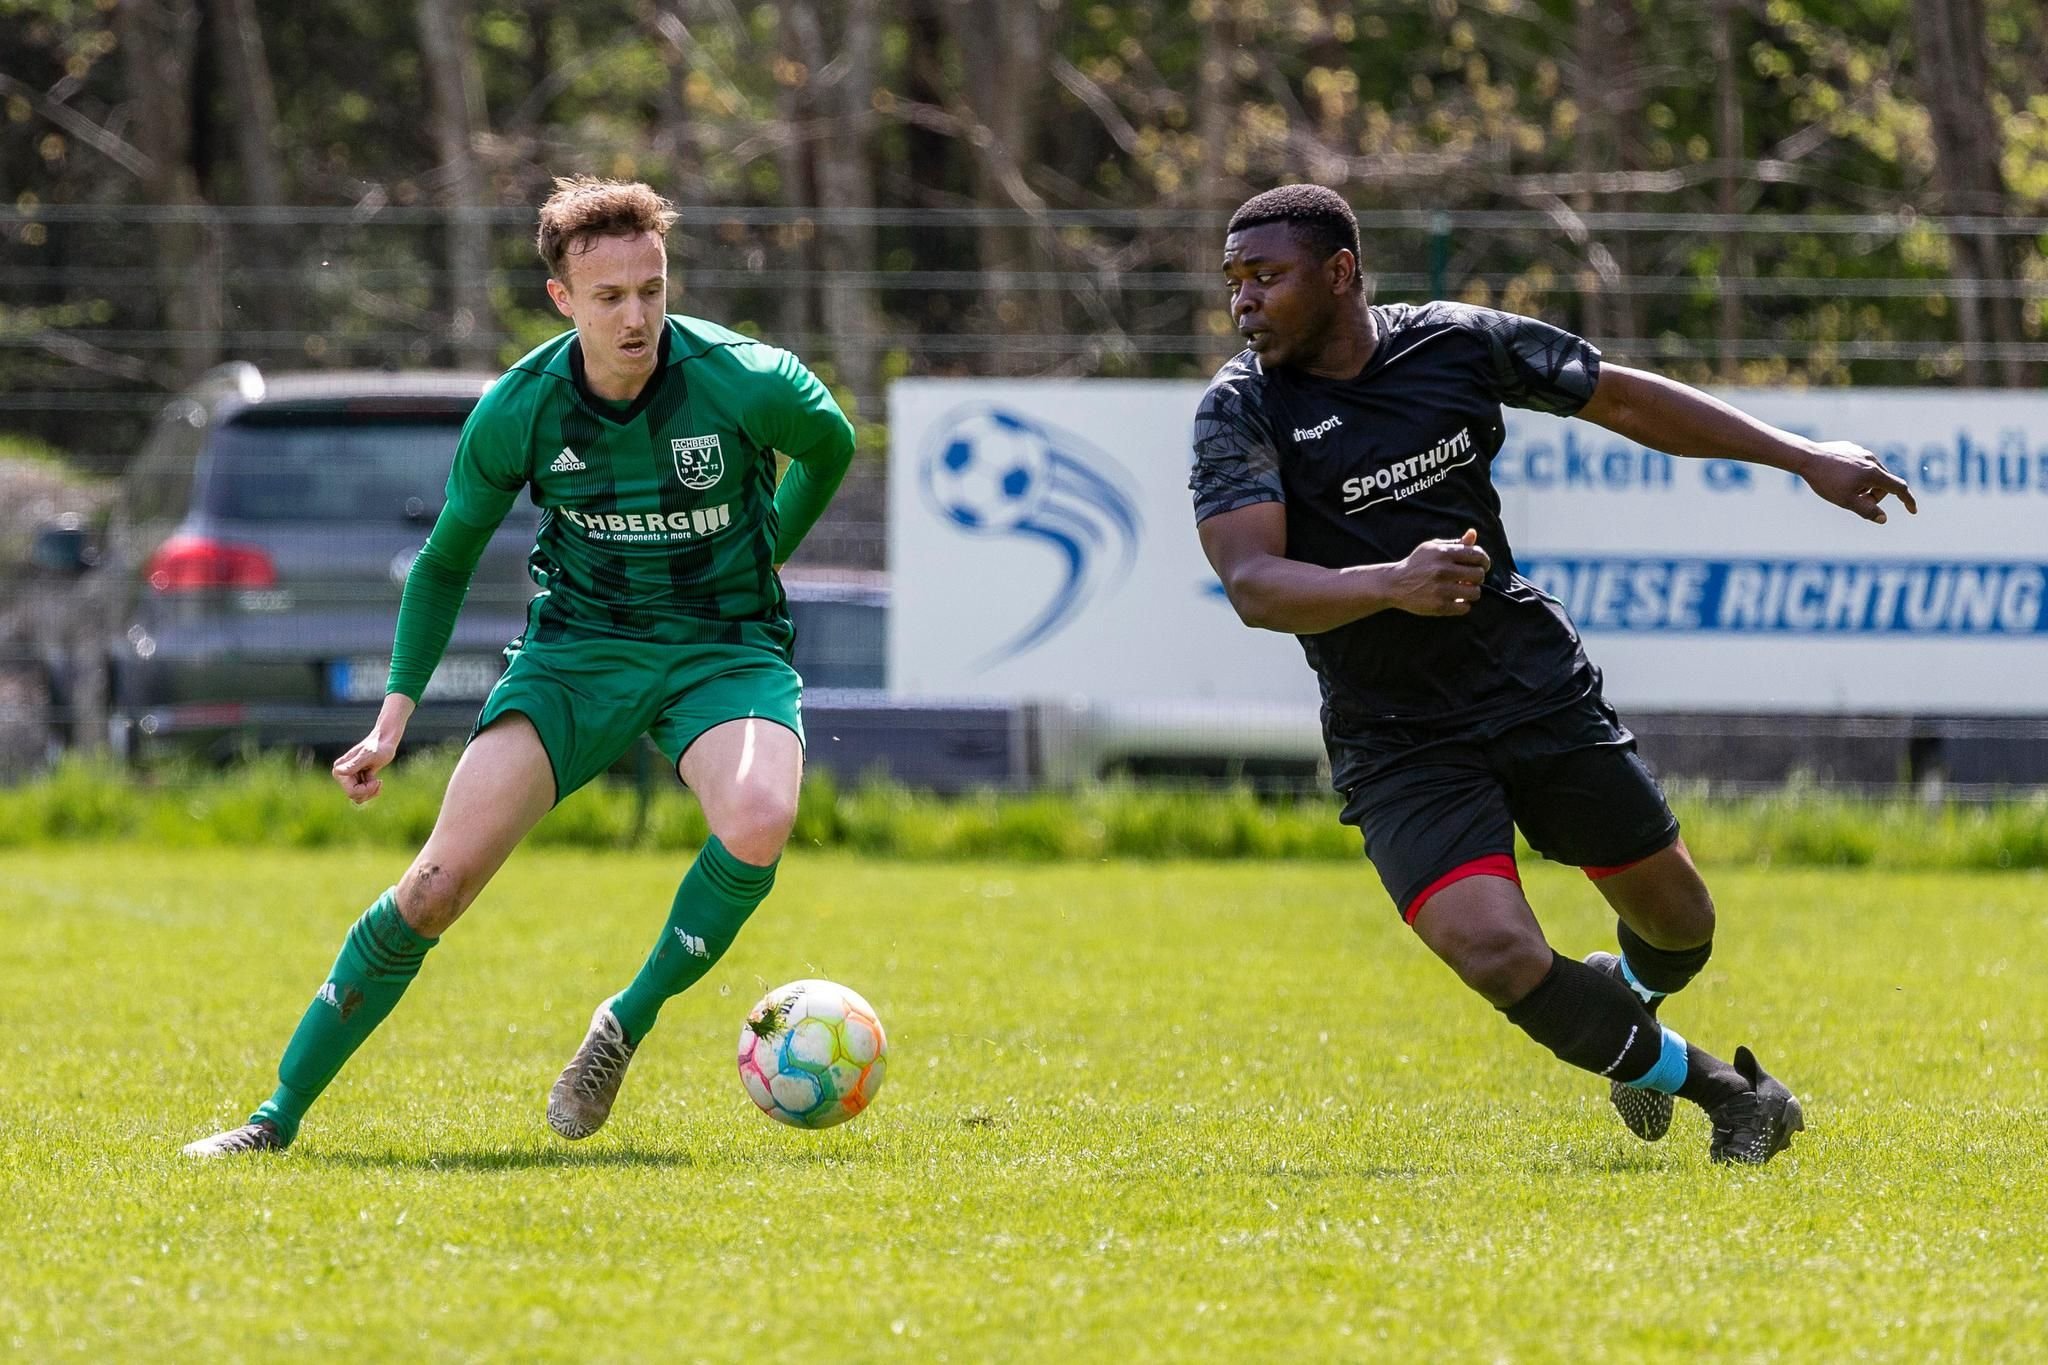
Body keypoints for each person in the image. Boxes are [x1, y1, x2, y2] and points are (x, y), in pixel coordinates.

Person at [1192, 185, 1917, 1165]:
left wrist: (1802, 458)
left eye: (1264, 277)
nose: (1242, 301)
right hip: (1395, 731)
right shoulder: (1237, 410)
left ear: (1339, 273)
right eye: (1233, 281)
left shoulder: (1452, 344)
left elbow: (1616, 395)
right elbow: (1251, 582)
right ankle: (1728, 1095)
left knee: (1679, 923)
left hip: (1527, 684)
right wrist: (1390, 583)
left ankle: (1629, 1006)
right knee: (1494, 951)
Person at [182, 177, 854, 1156]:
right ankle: (272, 1118)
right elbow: (445, 559)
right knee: (435, 886)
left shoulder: (744, 380)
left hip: (722, 650)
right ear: (562, 300)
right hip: (575, 656)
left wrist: (769, 553)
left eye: (652, 290)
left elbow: (829, 446)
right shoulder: (521, 409)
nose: (636, 316)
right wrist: (393, 716)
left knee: (758, 821)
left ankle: (625, 1021)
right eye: (611, 296)